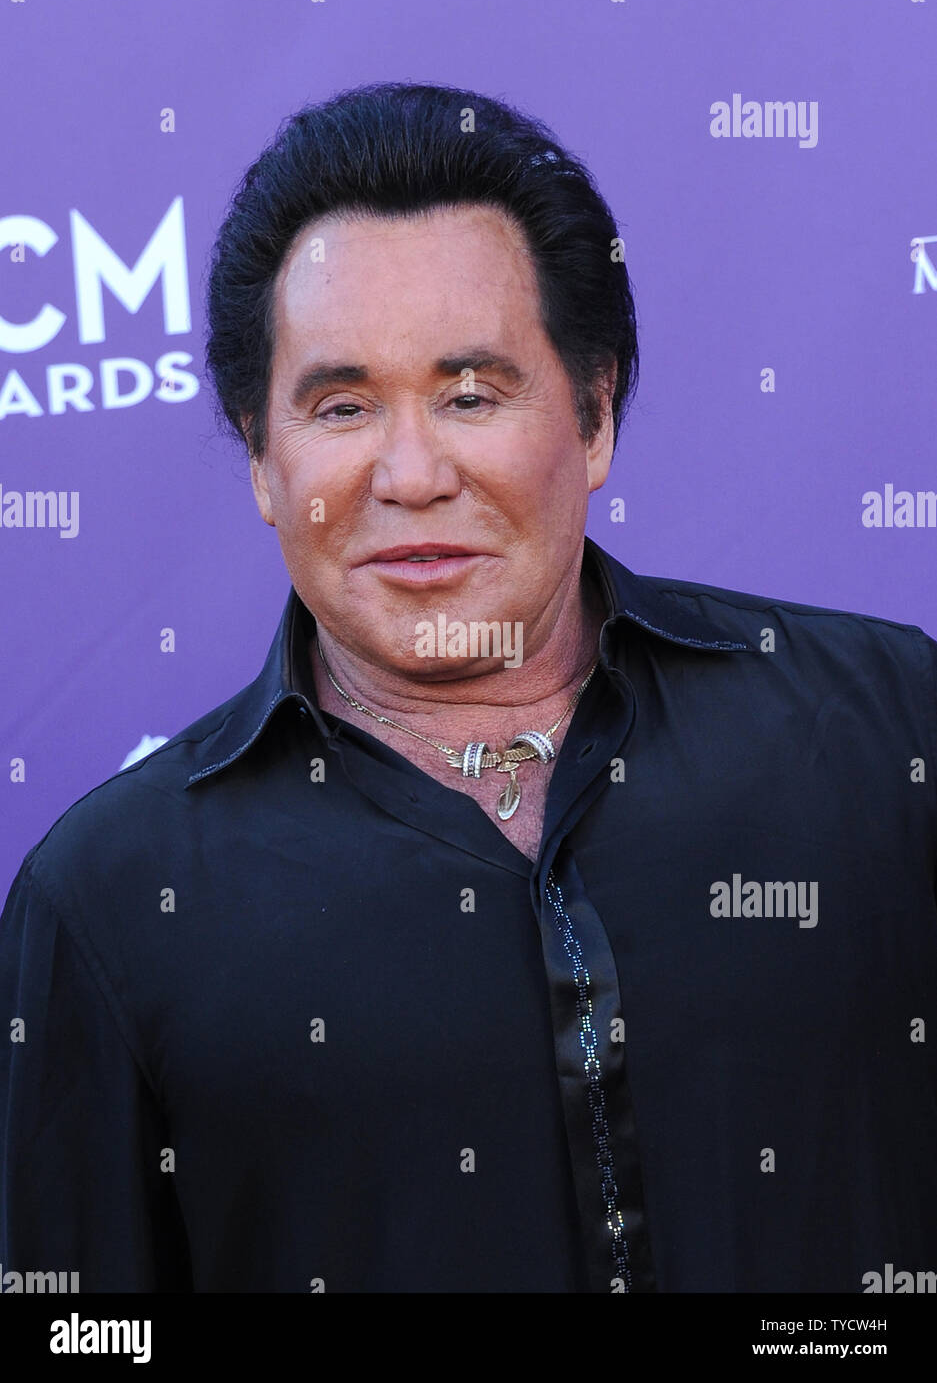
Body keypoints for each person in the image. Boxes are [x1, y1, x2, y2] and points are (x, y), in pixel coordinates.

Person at [1, 81, 935, 1294]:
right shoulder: (114, 897)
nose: (409, 471)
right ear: (263, 463)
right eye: (341, 406)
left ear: (594, 419)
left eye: (469, 395)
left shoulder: (881, 729)